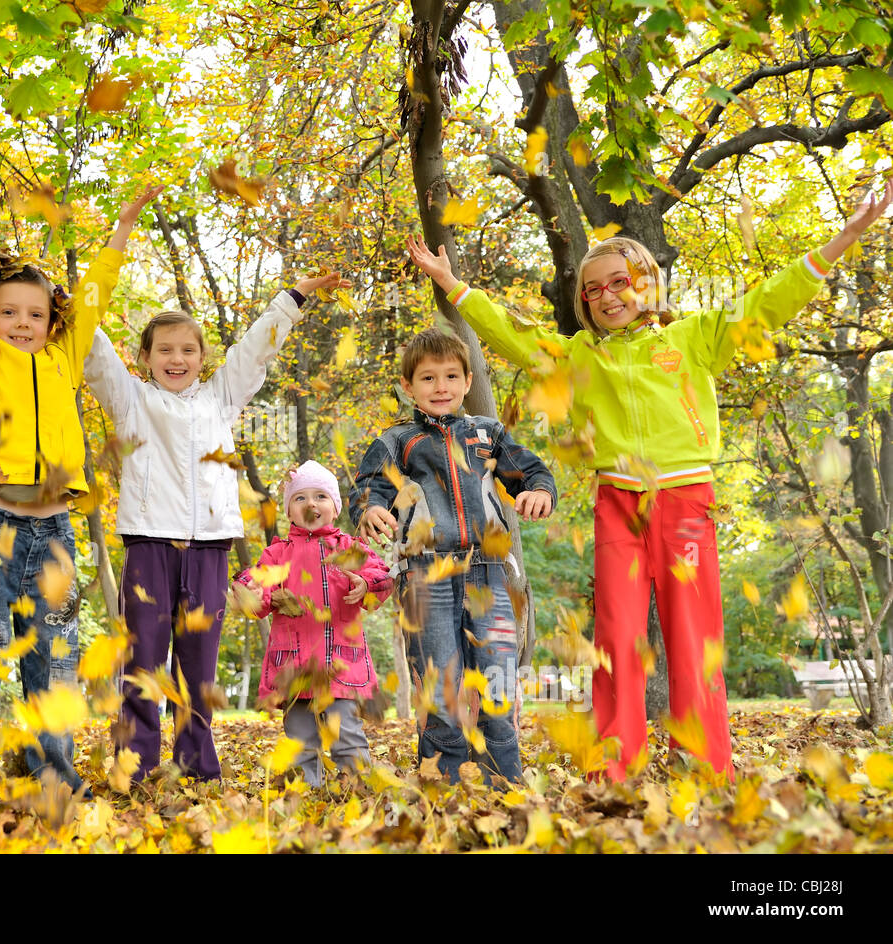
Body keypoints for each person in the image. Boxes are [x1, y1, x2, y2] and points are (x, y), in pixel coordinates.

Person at [404, 178, 893, 780]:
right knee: (616, 637)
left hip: (685, 500)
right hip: (617, 503)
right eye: (593, 290)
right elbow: (513, 332)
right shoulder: (579, 357)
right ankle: (615, 770)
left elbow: (770, 300)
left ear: (646, 283)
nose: (607, 296)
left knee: (692, 635)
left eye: (619, 282)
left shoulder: (694, 337)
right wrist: (453, 284)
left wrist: (849, 234)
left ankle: (705, 765)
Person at [0, 123, 160, 791]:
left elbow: (98, 292)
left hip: (54, 533)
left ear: (52, 321)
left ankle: (54, 773)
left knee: (55, 661)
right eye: (9, 312)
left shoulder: (64, 358)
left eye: (34, 313)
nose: (23, 322)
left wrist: (124, 223)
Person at [85, 270, 350, 781]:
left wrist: (294, 297)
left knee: (198, 664)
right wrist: (72, 305)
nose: (177, 359)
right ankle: (136, 766)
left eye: (188, 350)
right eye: (165, 350)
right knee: (143, 661)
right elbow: (94, 352)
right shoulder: (131, 400)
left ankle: (196, 767)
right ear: (145, 358)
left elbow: (254, 352)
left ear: (202, 358)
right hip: (149, 544)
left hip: (209, 549)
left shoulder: (220, 399)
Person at [350, 328, 556, 784]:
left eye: (450, 376)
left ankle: (502, 779)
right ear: (409, 386)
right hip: (426, 575)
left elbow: (531, 471)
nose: (440, 387)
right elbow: (369, 487)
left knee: (498, 679)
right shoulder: (398, 440)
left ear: (467, 382)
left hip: (488, 571)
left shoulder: (487, 434)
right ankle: (442, 781)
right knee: (439, 683)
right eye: (428, 378)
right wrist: (371, 510)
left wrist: (539, 490)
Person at [233, 460, 393, 785]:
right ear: (289, 511)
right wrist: (249, 592)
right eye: (300, 498)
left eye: (320, 496)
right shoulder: (277, 554)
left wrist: (366, 585)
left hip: (341, 666)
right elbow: (258, 584)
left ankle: (356, 789)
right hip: (295, 668)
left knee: (346, 734)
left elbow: (380, 575)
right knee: (300, 740)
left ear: (335, 507)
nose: (311, 504)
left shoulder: (349, 548)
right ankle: (307, 792)